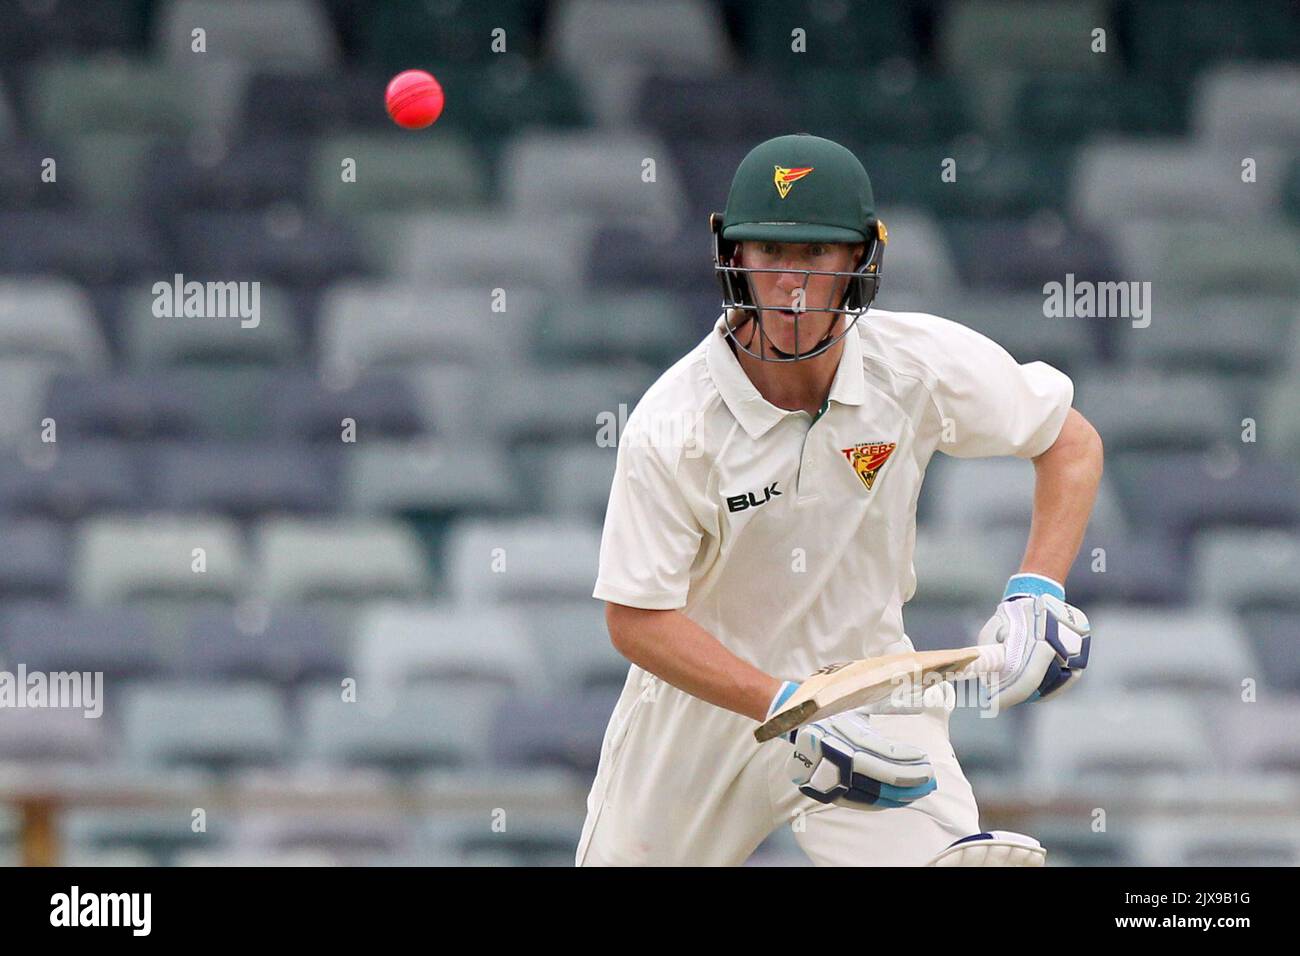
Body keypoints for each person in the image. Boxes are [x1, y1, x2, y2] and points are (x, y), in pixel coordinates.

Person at [576, 133, 1102, 866]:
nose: (791, 285)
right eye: (770, 254)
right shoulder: (675, 423)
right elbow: (634, 620)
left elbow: (1068, 441)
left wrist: (1038, 587)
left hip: (870, 687)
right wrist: (783, 704)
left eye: (816, 255)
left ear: (859, 260)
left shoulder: (912, 364)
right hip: (698, 712)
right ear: (734, 258)